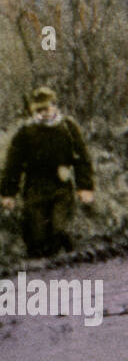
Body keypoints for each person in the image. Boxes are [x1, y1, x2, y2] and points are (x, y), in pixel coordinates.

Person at [0, 87, 94, 257]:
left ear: (55, 105)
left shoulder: (68, 127)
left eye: (46, 108)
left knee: (59, 229)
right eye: (39, 109)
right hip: (34, 188)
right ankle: (45, 270)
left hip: (61, 187)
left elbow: (82, 160)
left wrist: (85, 187)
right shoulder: (26, 132)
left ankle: (68, 262)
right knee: (37, 239)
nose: (43, 112)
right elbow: (13, 165)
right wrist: (9, 193)